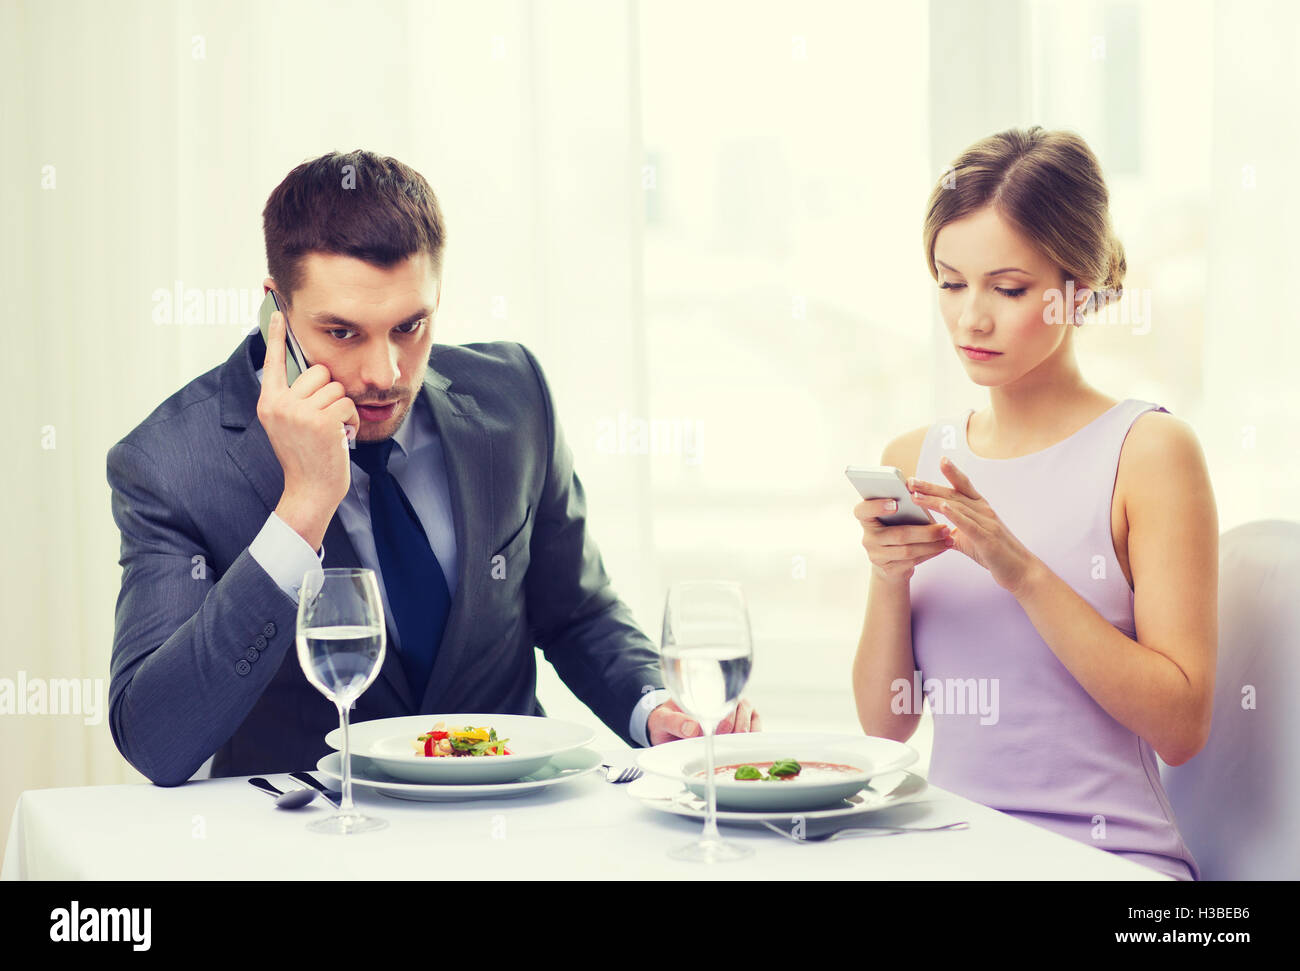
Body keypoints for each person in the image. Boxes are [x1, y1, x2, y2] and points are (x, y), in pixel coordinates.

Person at [107, 150, 758, 786]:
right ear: (277, 312)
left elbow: (576, 613)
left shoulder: (516, 398)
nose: (384, 374)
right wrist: (301, 509)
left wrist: (654, 709)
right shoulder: (171, 464)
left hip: (511, 829)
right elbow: (158, 741)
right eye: (343, 332)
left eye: (410, 325)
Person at [851, 127, 1215, 880]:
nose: (969, 319)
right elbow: (886, 728)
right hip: (948, 852)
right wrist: (890, 578)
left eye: (1007, 288)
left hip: (1107, 861)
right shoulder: (912, 458)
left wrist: (1023, 572)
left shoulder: (1149, 453)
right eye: (951, 282)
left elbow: (1181, 727)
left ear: (1078, 286)